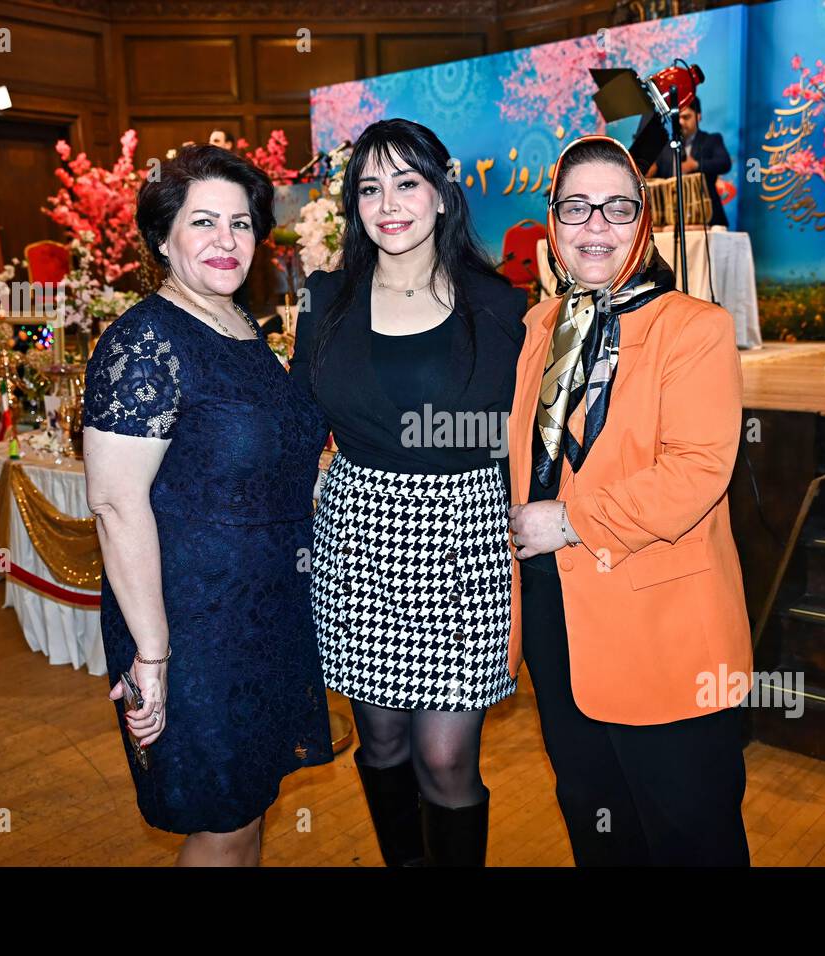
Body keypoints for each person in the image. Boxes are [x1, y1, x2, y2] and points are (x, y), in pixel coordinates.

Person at [82, 144, 333, 866]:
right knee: (221, 820)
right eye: (203, 223)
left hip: (266, 613)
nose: (227, 241)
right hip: (188, 624)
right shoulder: (145, 341)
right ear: (163, 239)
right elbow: (115, 503)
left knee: (250, 805)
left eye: (242, 223)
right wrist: (152, 654)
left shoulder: (245, 331)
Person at [506, 134, 752, 866]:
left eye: (616, 208)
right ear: (552, 220)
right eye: (576, 208)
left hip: (663, 627)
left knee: (690, 833)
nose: (595, 227)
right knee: (595, 820)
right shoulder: (539, 326)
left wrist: (573, 520)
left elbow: (699, 470)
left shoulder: (695, 329)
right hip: (558, 619)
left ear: (642, 221)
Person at [289, 118, 527, 867]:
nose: (388, 202)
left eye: (406, 182)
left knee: (449, 758)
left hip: (465, 536)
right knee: (381, 739)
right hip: (358, 535)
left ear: (442, 194)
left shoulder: (498, 304)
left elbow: (518, 434)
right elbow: (297, 426)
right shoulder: (325, 300)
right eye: (370, 187)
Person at [638, 96, 732, 228]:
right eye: (678, 118)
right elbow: (656, 171)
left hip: (708, 218)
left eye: (686, 117)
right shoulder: (664, 147)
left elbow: (724, 163)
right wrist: (651, 171)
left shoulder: (711, 140)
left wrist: (695, 165)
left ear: (698, 116)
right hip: (671, 219)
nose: (681, 122)